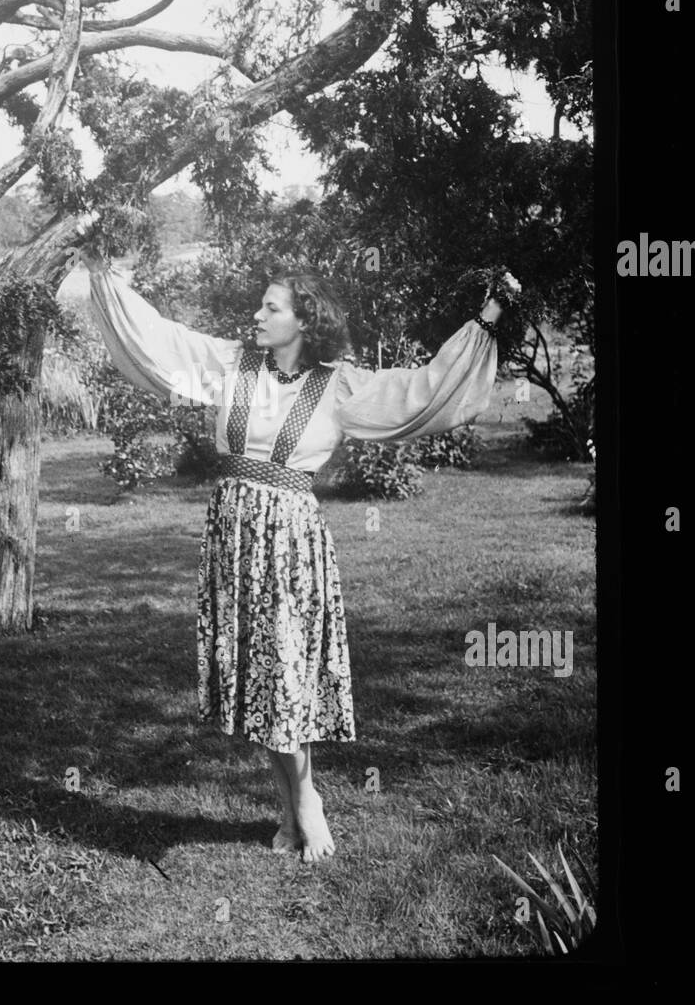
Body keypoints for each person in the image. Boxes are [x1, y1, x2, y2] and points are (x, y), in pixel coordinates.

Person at [80, 244, 517, 862]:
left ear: (304, 321)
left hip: (288, 542)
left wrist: (491, 317)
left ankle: (309, 806)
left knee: (285, 675)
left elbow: (422, 389)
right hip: (234, 536)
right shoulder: (231, 365)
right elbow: (161, 340)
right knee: (261, 679)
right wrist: (105, 273)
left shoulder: (341, 384)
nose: (257, 316)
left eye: (271, 307)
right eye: (260, 305)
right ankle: (287, 813)